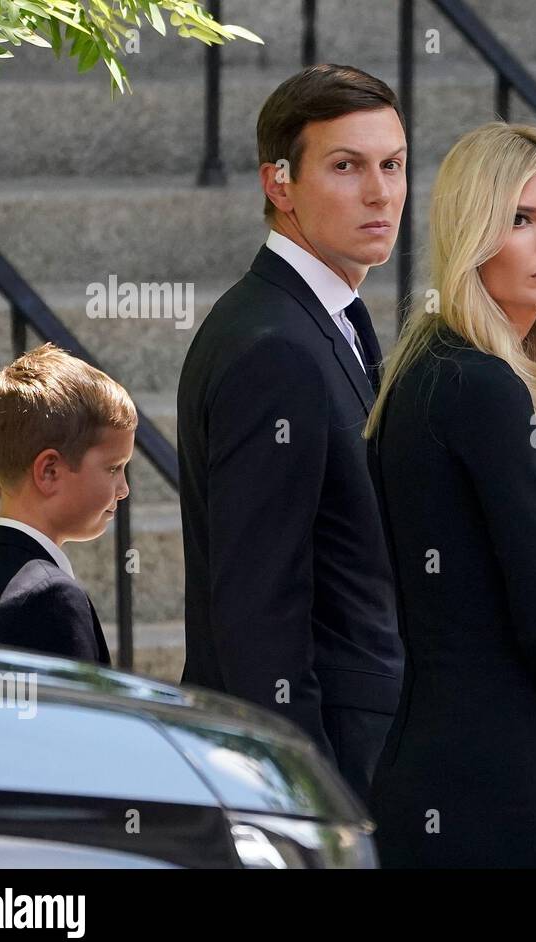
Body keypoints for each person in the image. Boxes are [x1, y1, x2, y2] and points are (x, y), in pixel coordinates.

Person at [365, 122, 536, 868]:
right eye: (521, 220)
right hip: (483, 790)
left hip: (466, 766)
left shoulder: (440, 366)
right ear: (473, 233)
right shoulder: (479, 386)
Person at [176, 64, 405, 806]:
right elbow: (258, 610)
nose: (381, 192)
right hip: (316, 769)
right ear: (280, 184)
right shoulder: (272, 344)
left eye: (393, 165)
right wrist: (310, 804)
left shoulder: (327, 317)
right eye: (347, 166)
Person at [0, 343, 136, 664]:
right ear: (49, 471)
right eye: (113, 468)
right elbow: (75, 715)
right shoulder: (50, 598)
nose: (124, 489)